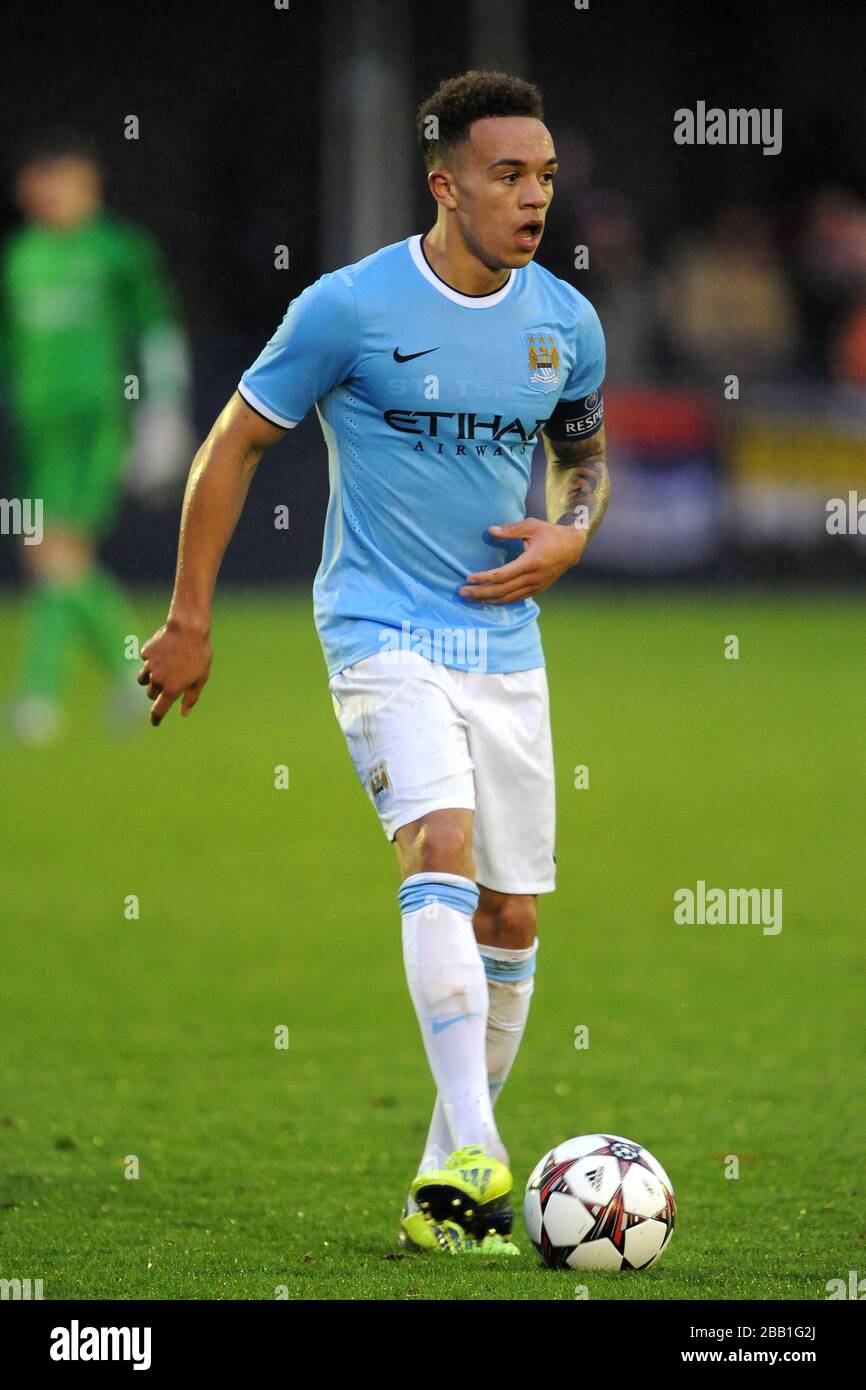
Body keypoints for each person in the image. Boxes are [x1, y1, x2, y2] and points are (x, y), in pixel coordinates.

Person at [138, 70, 610, 1256]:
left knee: (511, 913)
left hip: (503, 646)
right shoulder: (347, 310)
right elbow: (231, 446)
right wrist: (191, 617)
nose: (533, 197)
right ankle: (476, 1147)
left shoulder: (565, 321)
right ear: (444, 184)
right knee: (436, 848)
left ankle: (442, 1186)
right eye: (508, 175)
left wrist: (574, 525)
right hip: (378, 628)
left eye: (544, 175)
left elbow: (584, 457)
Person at [2, 130, 190, 742]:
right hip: (40, 429)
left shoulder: (118, 252)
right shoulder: (22, 257)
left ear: (88, 185)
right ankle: (130, 675)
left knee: (58, 554)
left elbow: (158, 333)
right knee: (49, 558)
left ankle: (38, 697)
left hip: (97, 424)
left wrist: (163, 413)